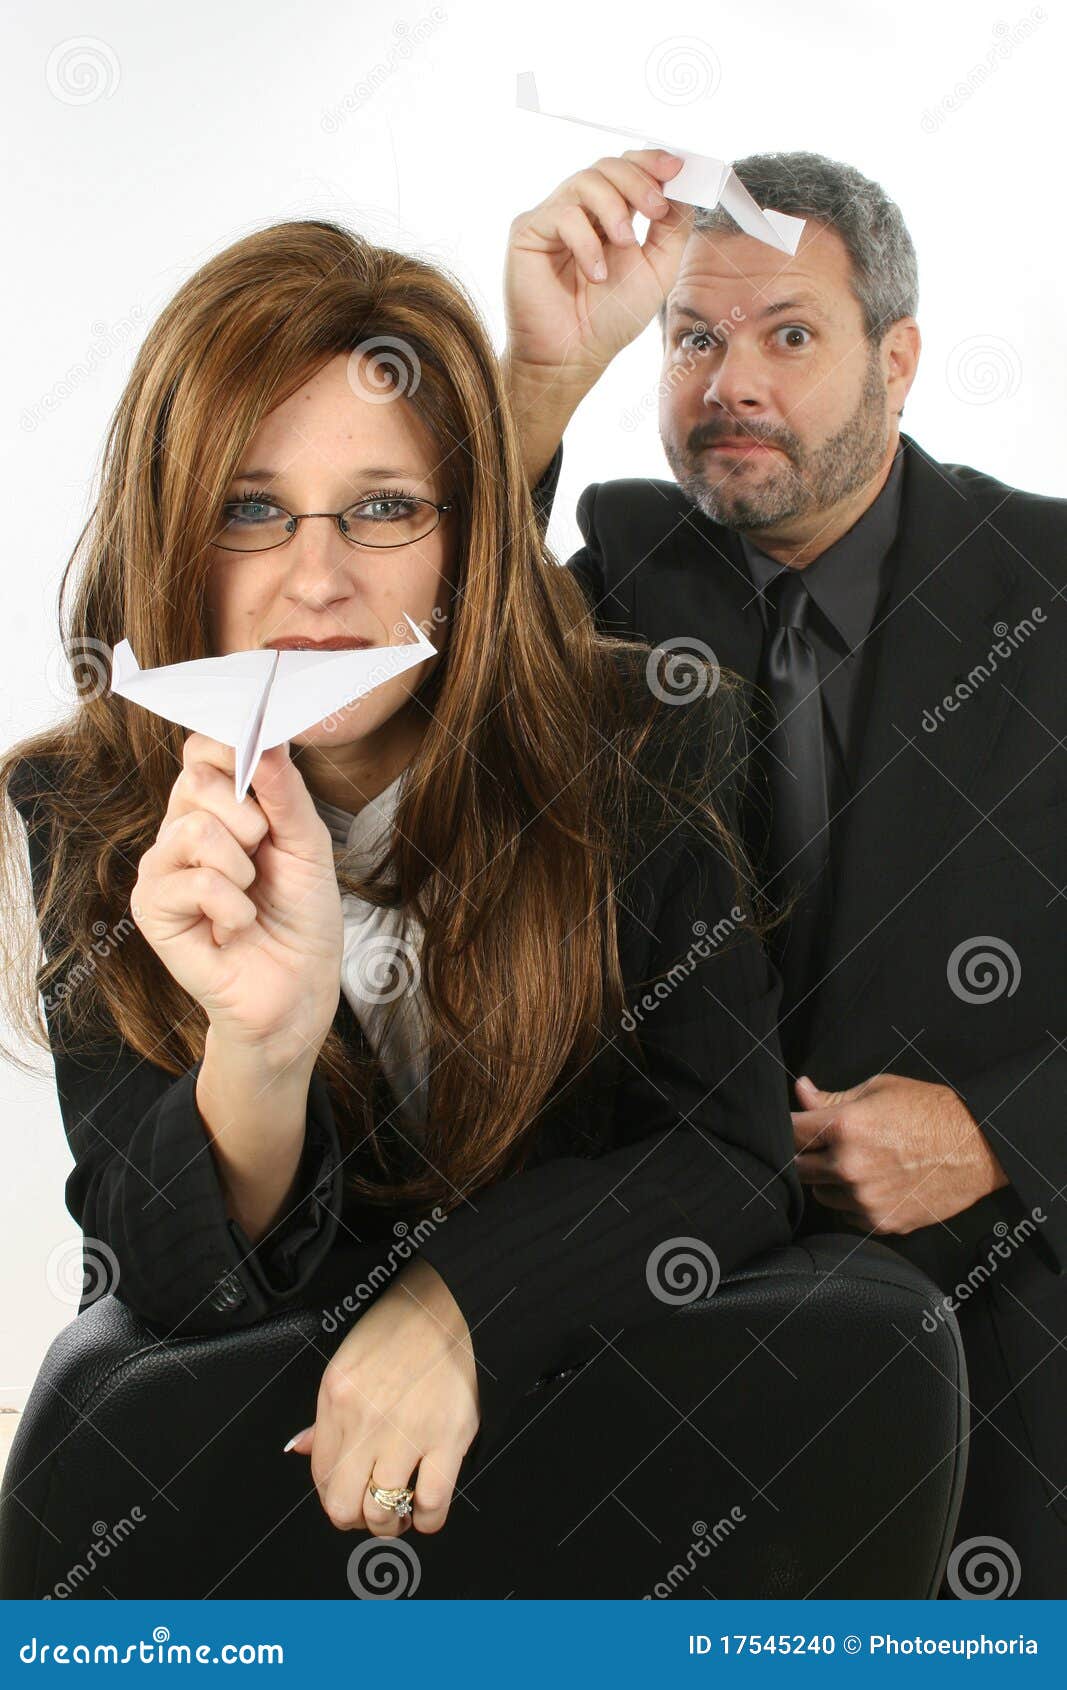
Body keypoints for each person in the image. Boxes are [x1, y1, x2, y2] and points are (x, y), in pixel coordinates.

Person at [0, 217, 802, 1545]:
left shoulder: (648, 740)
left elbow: (729, 1154)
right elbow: (154, 1274)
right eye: (250, 509)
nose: (317, 582)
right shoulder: (82, 808)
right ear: (173, 537)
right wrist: (260, 1053)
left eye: (382, 508)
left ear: (464, 540)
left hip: (610, 1484)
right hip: (271, 1522)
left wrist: (453, 1303)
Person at [500, 146, 1067, 1595]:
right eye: (694, 337)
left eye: (788, 337)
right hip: (664, 1375)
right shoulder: (622, 568)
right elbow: (415, 685)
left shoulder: (1048, 594)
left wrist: (1001, 1134)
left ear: (901, 357)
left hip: (1012, 1378)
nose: (727, 383)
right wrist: (537, 378)